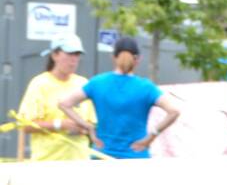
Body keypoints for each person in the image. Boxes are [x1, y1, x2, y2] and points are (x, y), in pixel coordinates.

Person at [58, 35, 181, 159]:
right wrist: (151, 136)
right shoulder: (146, 87)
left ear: (113, 57)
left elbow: (64, 104)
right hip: (135, 154)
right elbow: (174, 112)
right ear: (137, 59)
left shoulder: (97, 83)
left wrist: (89, 127)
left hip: (102, 154)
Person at [15, 33, 96, 161]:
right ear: (54, 55)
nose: (74, 59)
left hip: (80, 162)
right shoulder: (39, 84)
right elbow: (26, 126)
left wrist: (83, 129)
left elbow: (92, 123)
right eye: (69, 53)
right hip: (47, 163)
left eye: (77, 54)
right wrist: (60, 124)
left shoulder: (83, 84)